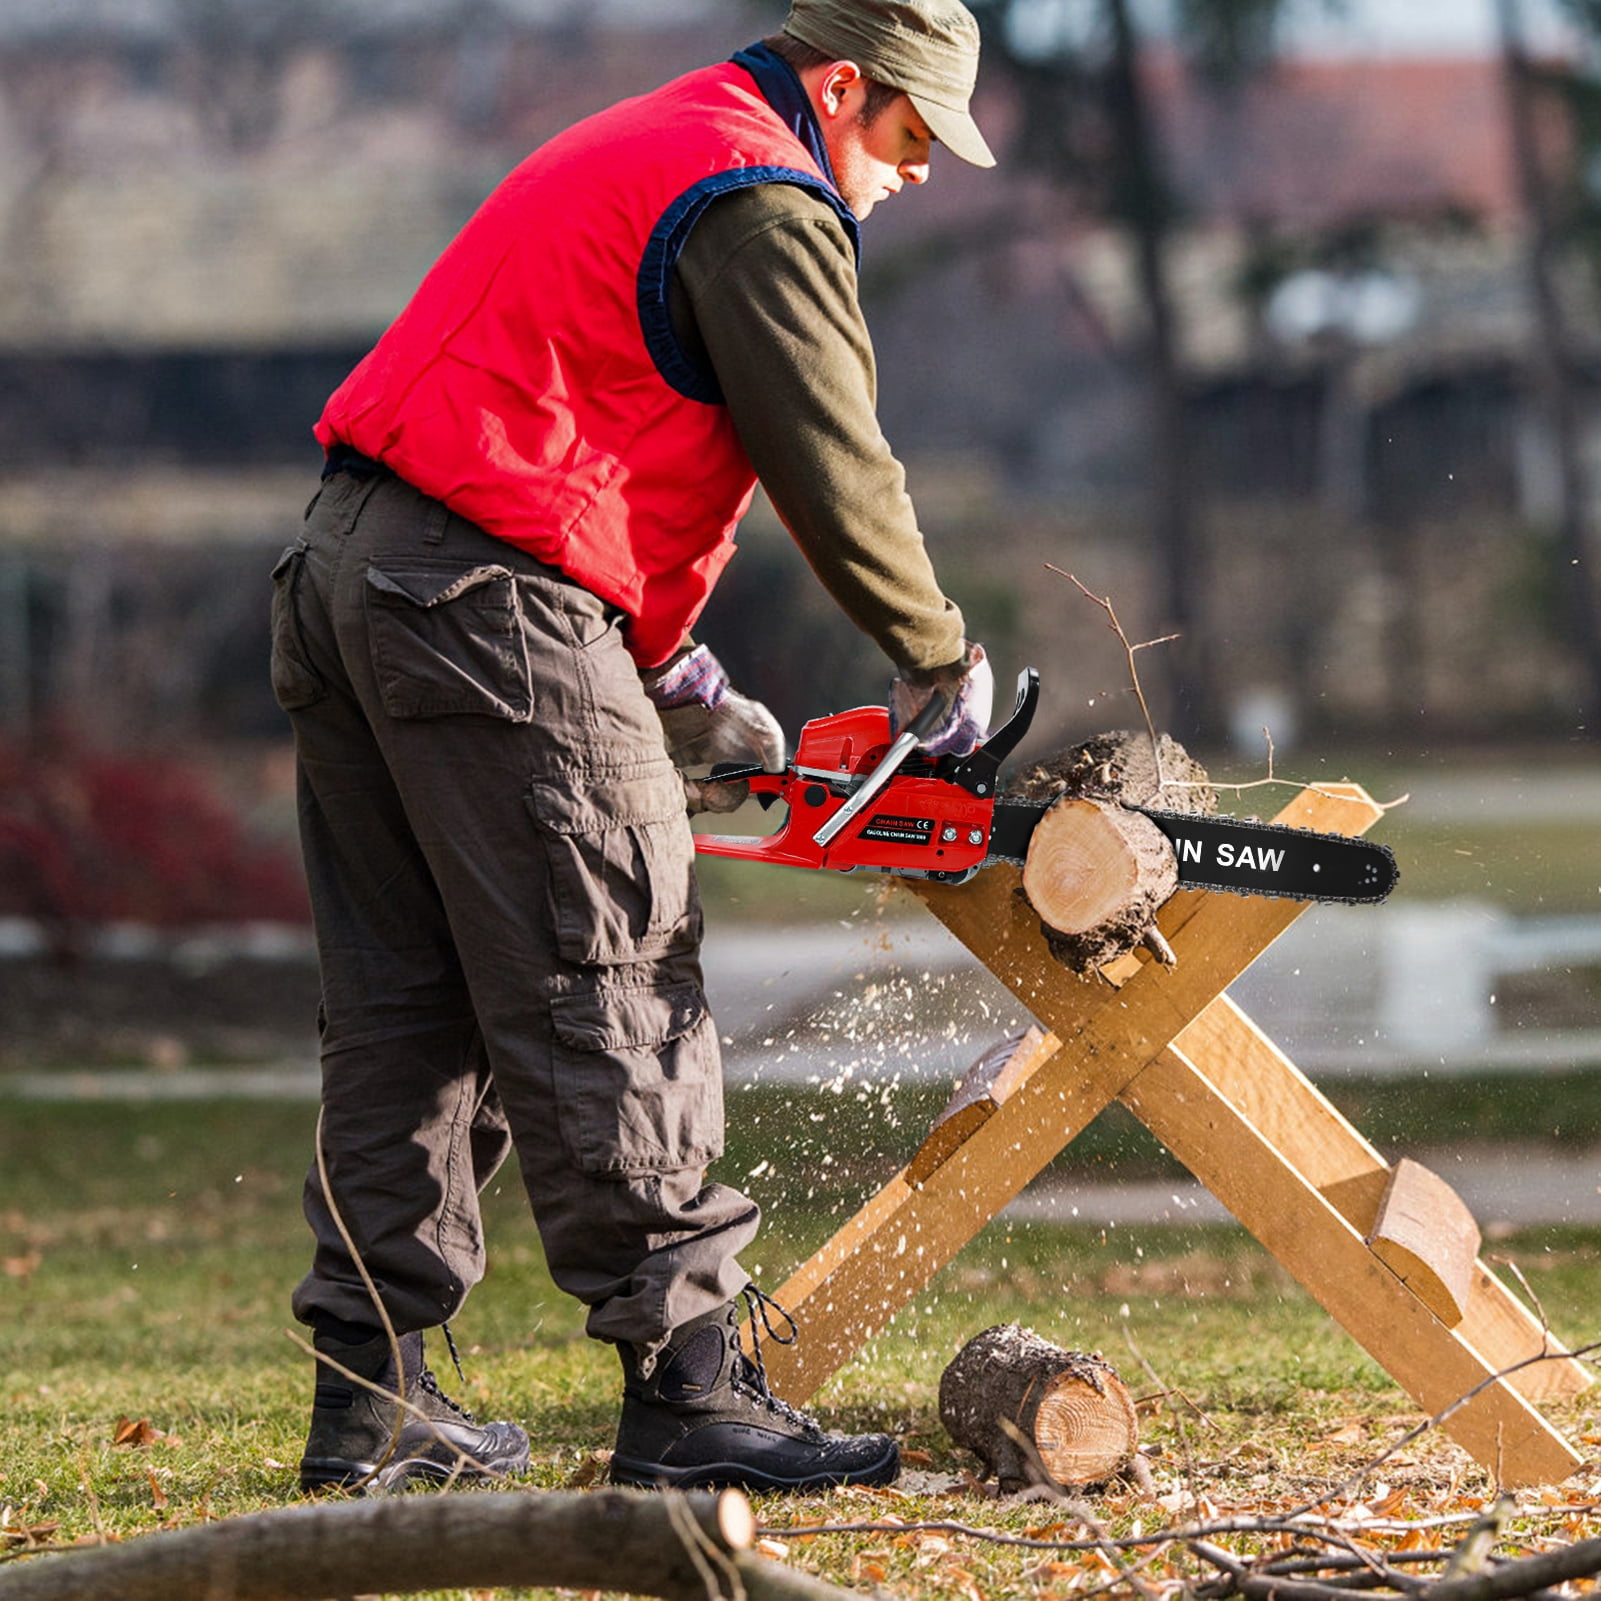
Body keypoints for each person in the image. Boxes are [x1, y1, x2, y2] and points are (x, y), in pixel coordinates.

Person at [269, 0, 997, 1495]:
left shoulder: (649, 140)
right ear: (842, 87)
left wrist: (661, 660)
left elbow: (562, 404)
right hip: (487, 603)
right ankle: (687, 1392)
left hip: (356, 567)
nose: (918, 173)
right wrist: (940, 656)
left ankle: (370, 1396)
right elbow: (831, 451)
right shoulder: (762, 197)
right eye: (912, 136)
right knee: (610, 971)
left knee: (410, 1010)